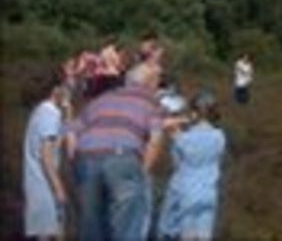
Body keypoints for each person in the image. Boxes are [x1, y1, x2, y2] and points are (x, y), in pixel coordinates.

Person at [67, 61, 164, 241]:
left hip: (86, 157)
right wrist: (142, 173)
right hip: (122, 157)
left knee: (91, 226)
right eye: (158, 80)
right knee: (127, 226)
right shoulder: (150, 102)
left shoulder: (101, 100)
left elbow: (71, 131)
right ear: (150, 82)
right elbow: (155, 141)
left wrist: (74, 161)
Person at [156, 90, 227, 240]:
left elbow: (177, 164)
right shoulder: (220, 136)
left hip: (187, 192)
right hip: (209, 192)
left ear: (193, 113)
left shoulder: (183, 139)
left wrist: (181, 121)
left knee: (185, 234)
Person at [23, 69, 72, 240]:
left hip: (39, 185)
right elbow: (46, 155)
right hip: (44, 186)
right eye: (65, 85)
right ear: (56, 89)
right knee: (53, 233)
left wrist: (68, 113)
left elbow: (58, 142)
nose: (68, 88)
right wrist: (58, 188)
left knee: (51, 232)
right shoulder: (49, 113)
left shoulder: (42, 112)